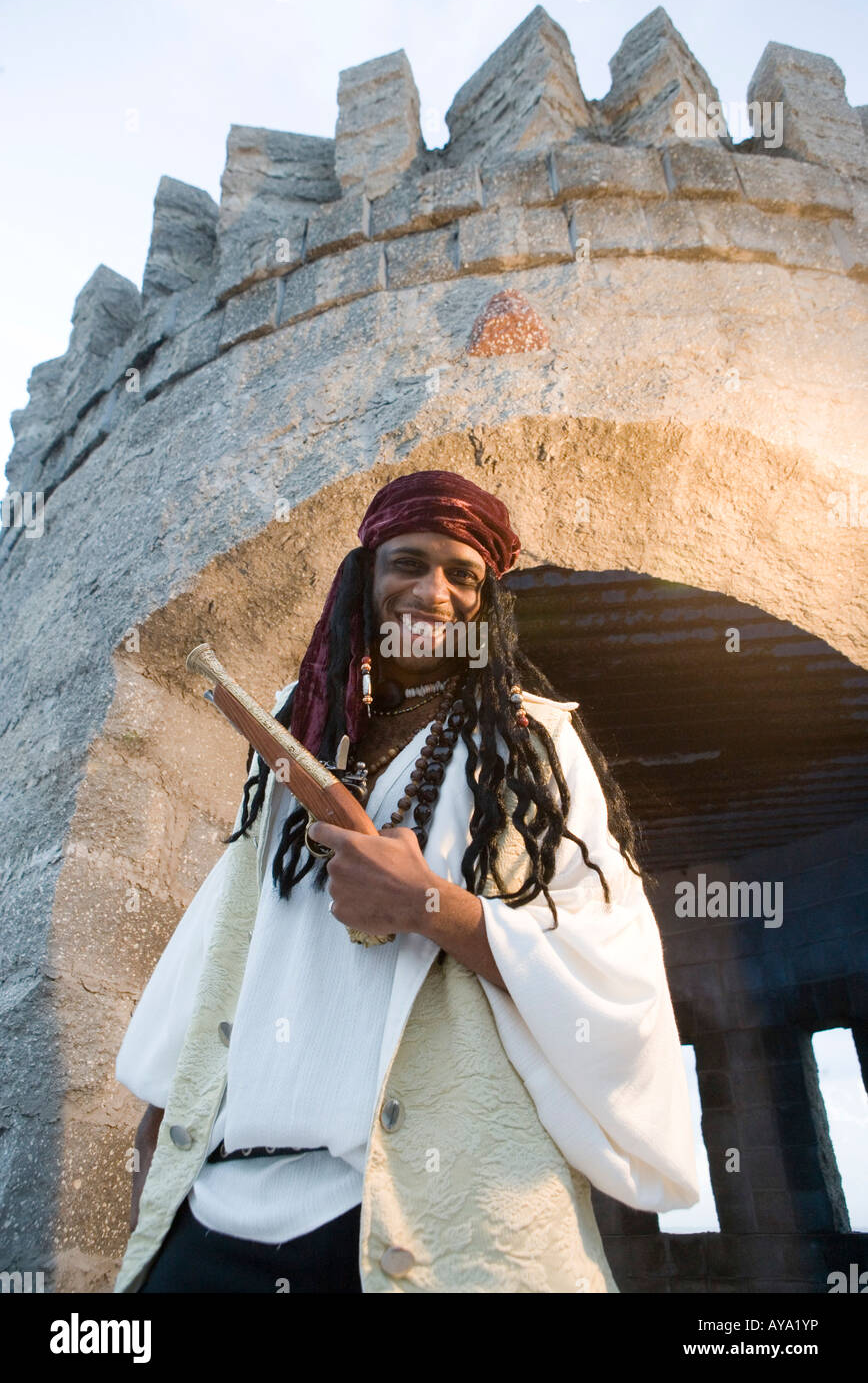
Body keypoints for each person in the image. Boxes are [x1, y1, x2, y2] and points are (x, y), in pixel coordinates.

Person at [113, 468, 698, 1294]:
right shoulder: (298, 725)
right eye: (409, 563)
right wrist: (159, 1125)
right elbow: (234, 926)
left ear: (488, 606)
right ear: (363, 579)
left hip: (422, 1215)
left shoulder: (531, 748)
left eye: (464, 575)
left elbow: (614, 966)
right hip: (218, 1208)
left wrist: (435, 908)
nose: (434, 592)